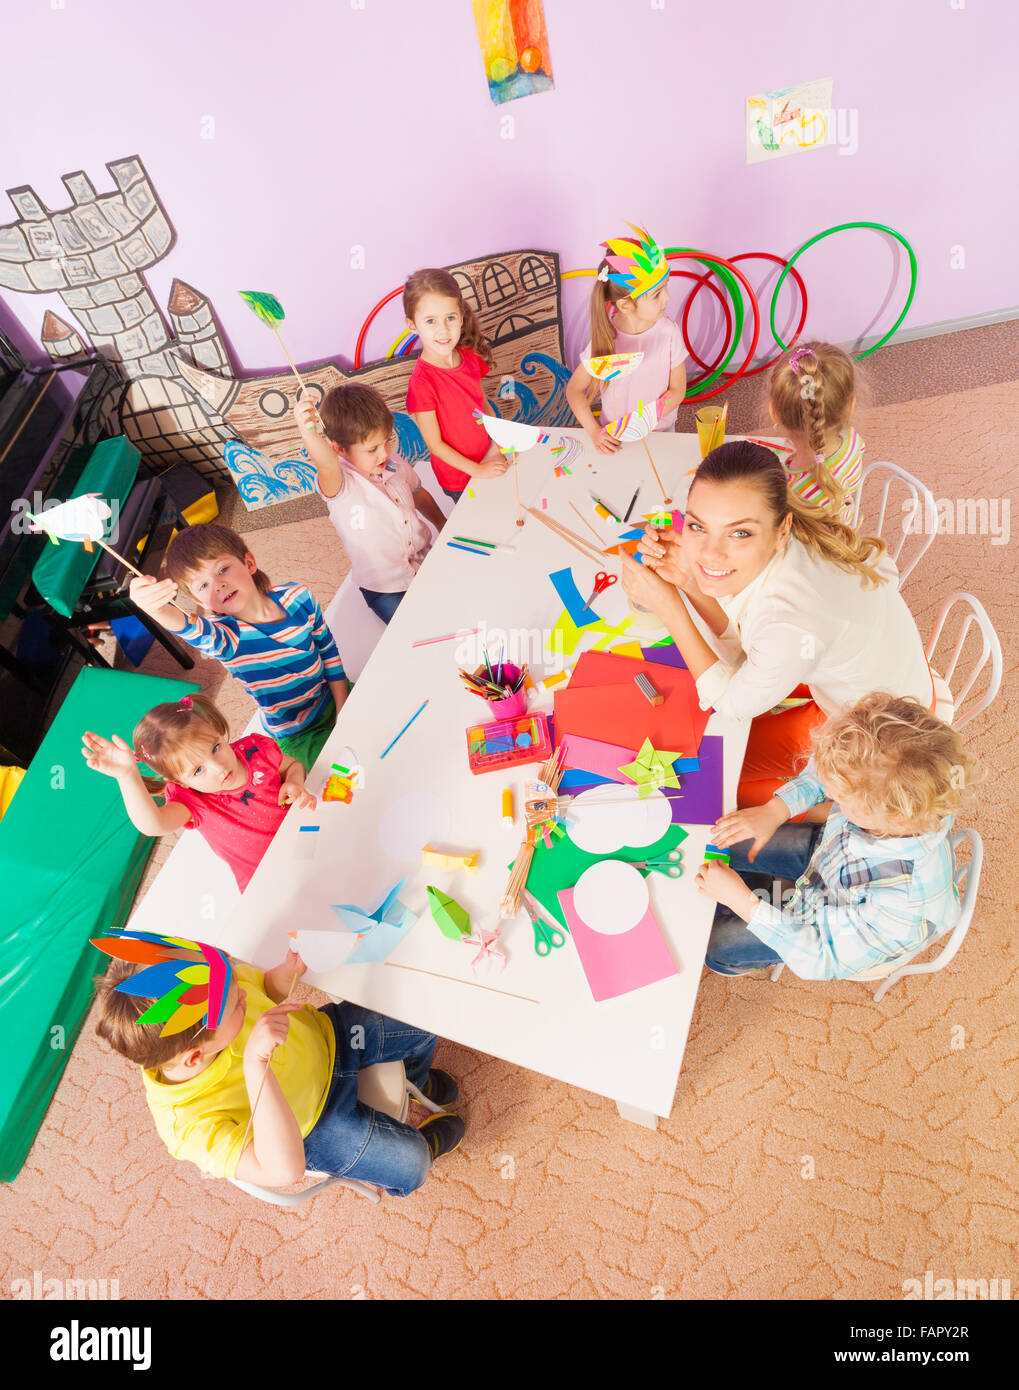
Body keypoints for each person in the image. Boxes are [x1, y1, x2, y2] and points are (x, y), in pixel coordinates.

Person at [623, 441, 933, 807]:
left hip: (880, 731)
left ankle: (826, 813)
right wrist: (691, 581)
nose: (709, 553)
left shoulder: (792, 619)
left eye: (739, 533)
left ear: (781, 529)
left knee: (711, 772)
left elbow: (733, 703)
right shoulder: (795, 535)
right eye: (697, 526)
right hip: (863, 668)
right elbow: (746, 642)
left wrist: (668, 605)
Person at [93, 942, 465, 1193]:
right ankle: (423, 1140)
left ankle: (415, 1080)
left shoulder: (219, 992)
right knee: (412, 1164)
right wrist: (256, 1066)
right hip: (314, 1127)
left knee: (423, 1015)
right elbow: (283, 1171)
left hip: (327, 1037)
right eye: (238, 1005)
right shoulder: (186, 1126)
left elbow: (266, 988)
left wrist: (286, 972)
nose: (241, 989)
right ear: (194, 1057)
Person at [695, 694, 976, 979]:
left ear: (890, 816)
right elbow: (829, 771)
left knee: (716, 945)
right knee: (723, 839)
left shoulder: (903, 908)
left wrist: (744, 903)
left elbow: (821, 958)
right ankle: (756, 889)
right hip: (829, 855)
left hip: (830, 925)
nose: (829, 795)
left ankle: (734, 954)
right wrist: (775, 810)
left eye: (839, 796)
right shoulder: (895, 790)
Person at [129, 523, 347, 772]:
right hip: (297, 733)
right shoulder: (225, 638)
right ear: (200, 601)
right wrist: (151, 606)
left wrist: (343, 709)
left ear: (249, 563)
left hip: (333, 695)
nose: (218, 584)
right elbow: (183, 625)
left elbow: (328, 651)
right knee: (334, 779)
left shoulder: (299, 596)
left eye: (222, 569)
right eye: (202, 586)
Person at [81, 691, 315, 892]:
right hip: (269, 882)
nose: (219, 766)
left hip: (307, 836)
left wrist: (294, 781)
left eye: (215, 747)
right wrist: (126, 775)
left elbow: (293, 765)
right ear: (178, 782)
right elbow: (154, 825)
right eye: (198, 770)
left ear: (216, 731)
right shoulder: (192, 801)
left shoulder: (255, 750)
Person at [293, 382, 445, 624]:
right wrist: (308, 432)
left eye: (387, 441)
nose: (384, 453)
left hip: (423, 558)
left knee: (454, 597)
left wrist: (442, 524)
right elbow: (325, 463)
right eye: (372, 449)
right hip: (386, 589)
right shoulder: (340, 485)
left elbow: (419, 494)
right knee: (416, 627)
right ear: (339, 449)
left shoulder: (394, 463)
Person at [566, 223, 687, 455]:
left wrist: (647, 419)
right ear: (625, 305)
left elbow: (678, 389)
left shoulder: (669, 332)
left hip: (661, 430)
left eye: (666, 287)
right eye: (657, 294)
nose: (668, 298)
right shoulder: (605, 340)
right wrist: (594, 432)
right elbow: (574, 390)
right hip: (615, 435)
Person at [403, 268, 509, 503]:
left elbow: (483, 403)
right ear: (412, 325)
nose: (443, 330)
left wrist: (496, 442)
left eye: (450, 318)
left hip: (489, 455)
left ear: (461, 317)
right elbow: (436, 445)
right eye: (430, 321)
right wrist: (477, 470)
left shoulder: (470, 357)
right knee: (477, 524)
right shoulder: (422, 384)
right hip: (460, 478)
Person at [753, 341, 865, 522]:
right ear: (850, 407)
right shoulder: (853, 441)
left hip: (809, 547)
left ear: (774, 412)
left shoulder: (785, 487)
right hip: (845, 528)